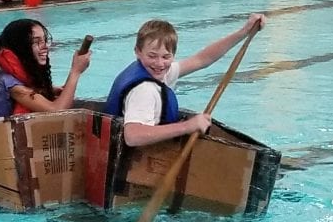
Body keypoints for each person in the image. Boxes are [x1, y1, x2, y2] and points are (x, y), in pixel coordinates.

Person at [104, 14, 265, 147]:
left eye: (166, 57)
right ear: (137, 52)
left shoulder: (159, 72)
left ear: (173, 55)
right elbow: (132, 136)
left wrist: (244, 32)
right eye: (152, 56)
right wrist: (187, 126)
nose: (159, 64)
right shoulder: (144, 90)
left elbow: (203, 59)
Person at [0, 18, 91, 117]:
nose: (45, 47)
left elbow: (63, 100)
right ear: (20, 47)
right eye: (36, 42)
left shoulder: (13, 75)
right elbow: (57, 110)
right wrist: (75, 71)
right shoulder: (12, 85)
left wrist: (49, 90)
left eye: (44, 40)